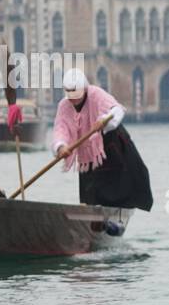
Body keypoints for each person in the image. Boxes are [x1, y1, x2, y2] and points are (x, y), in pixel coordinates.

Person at [52, 69, 153, 210]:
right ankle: (91, 214)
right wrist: (61, 146)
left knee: (121, 182)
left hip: (110, 142)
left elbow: (116, 110)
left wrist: (104, 121)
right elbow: (60, 129)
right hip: (87, 151)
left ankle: (120, 208)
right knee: (91, 191)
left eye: (75, 91)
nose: (72, 96)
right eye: (69, 92)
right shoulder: (64, 105)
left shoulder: (96, 94)